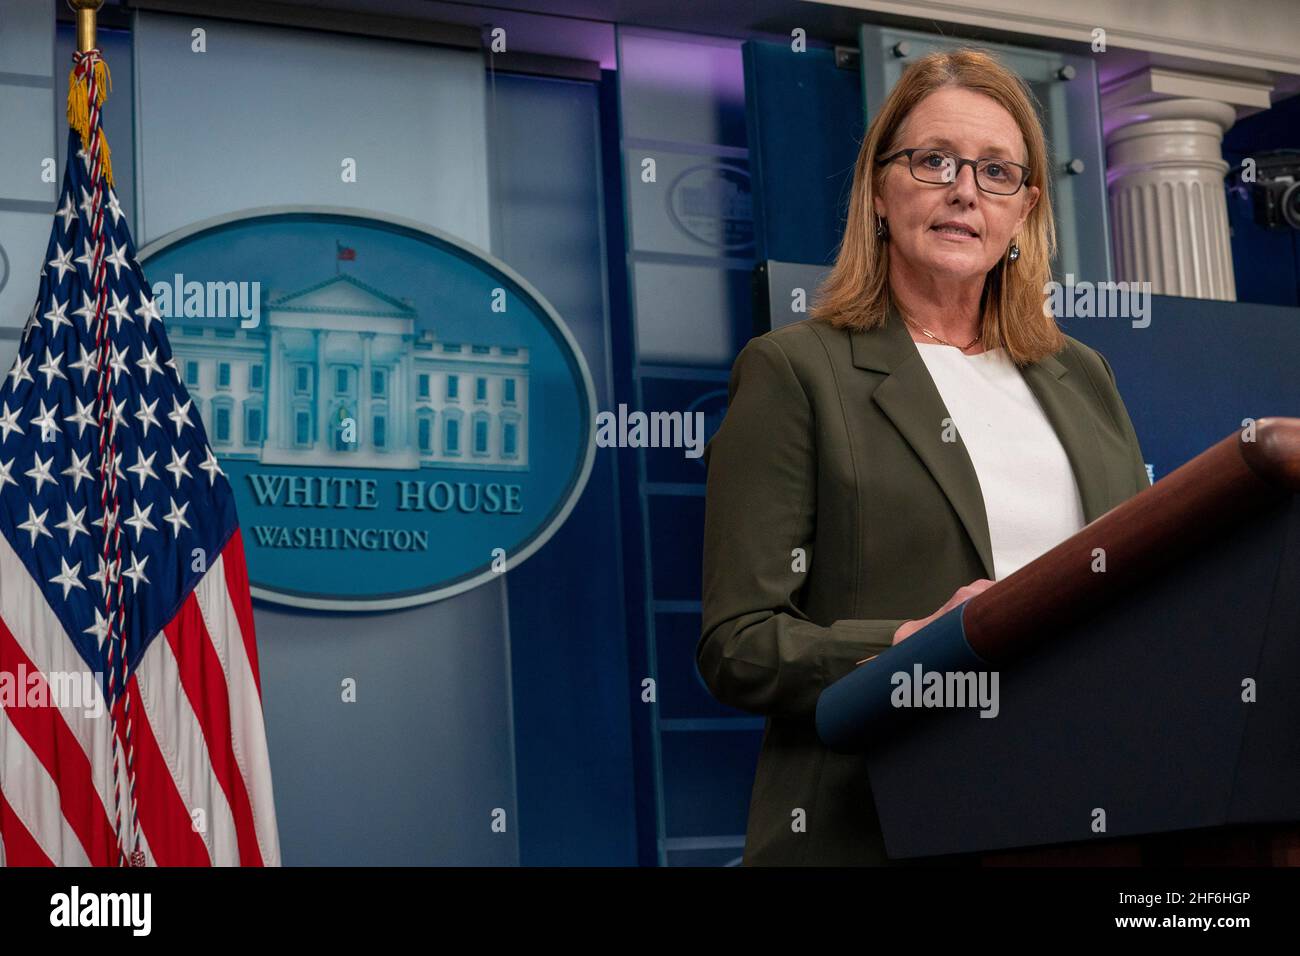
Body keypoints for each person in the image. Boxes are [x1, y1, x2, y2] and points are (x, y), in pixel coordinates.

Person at [697, 48, 1151, 866]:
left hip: (1077, 805)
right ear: (879, 189)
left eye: (996, 172)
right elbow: (738, 644)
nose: (964, 190)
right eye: (932, 160)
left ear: (1026, 211)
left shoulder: (1082, 375)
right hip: (875, 826)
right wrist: (912, 642)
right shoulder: (797, 370)